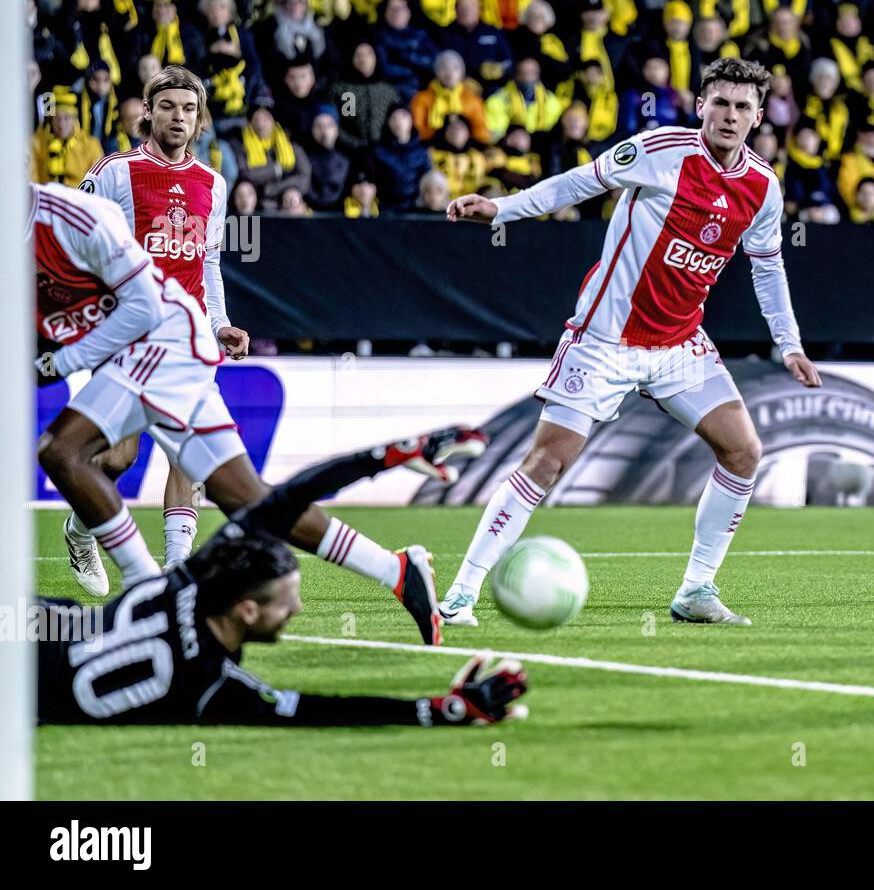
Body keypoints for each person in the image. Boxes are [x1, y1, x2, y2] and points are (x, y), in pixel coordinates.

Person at [444, 58, 822, 627]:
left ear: (759, 117)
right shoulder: (660, 150)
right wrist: (502, 208)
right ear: (701, 106)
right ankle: (460, 594)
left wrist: (788, 344)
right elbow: (576, 183)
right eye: (720, 102)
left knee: (743, 451)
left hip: (678, 343)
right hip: (604, 339)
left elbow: (768, 266)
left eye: (743, 107)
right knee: (546, 462)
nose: (730, 115)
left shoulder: (763, 186)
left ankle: (696, 590)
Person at [32, 182, 444, 645]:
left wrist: (58, 363)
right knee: (249, 501)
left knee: (62, 451)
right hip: (156, 352)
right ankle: (396, 569)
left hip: (161, 339)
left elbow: (148, 303)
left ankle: (146, 592)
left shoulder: (73, 216)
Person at [36, 429, 526, 726]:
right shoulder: (211, 686)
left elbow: (289, 497)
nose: (298, 611)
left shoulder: (187, 582)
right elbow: (320, 711)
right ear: (247, 610)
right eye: (286, 602)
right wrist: (439, 710)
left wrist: (391, 454)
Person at [73, 66, 246, 581]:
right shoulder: (114, 171)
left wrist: (220, 325)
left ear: (200, 119)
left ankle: (176, 574)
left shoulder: (213, 184)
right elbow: (78, 247)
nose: (179, 116)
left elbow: (208, 263)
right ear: (147, 112)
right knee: (117, 458)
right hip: (124, 335)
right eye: (168, 106)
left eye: (189, 109)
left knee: (187, 457)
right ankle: (81, 532)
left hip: (188, 339)